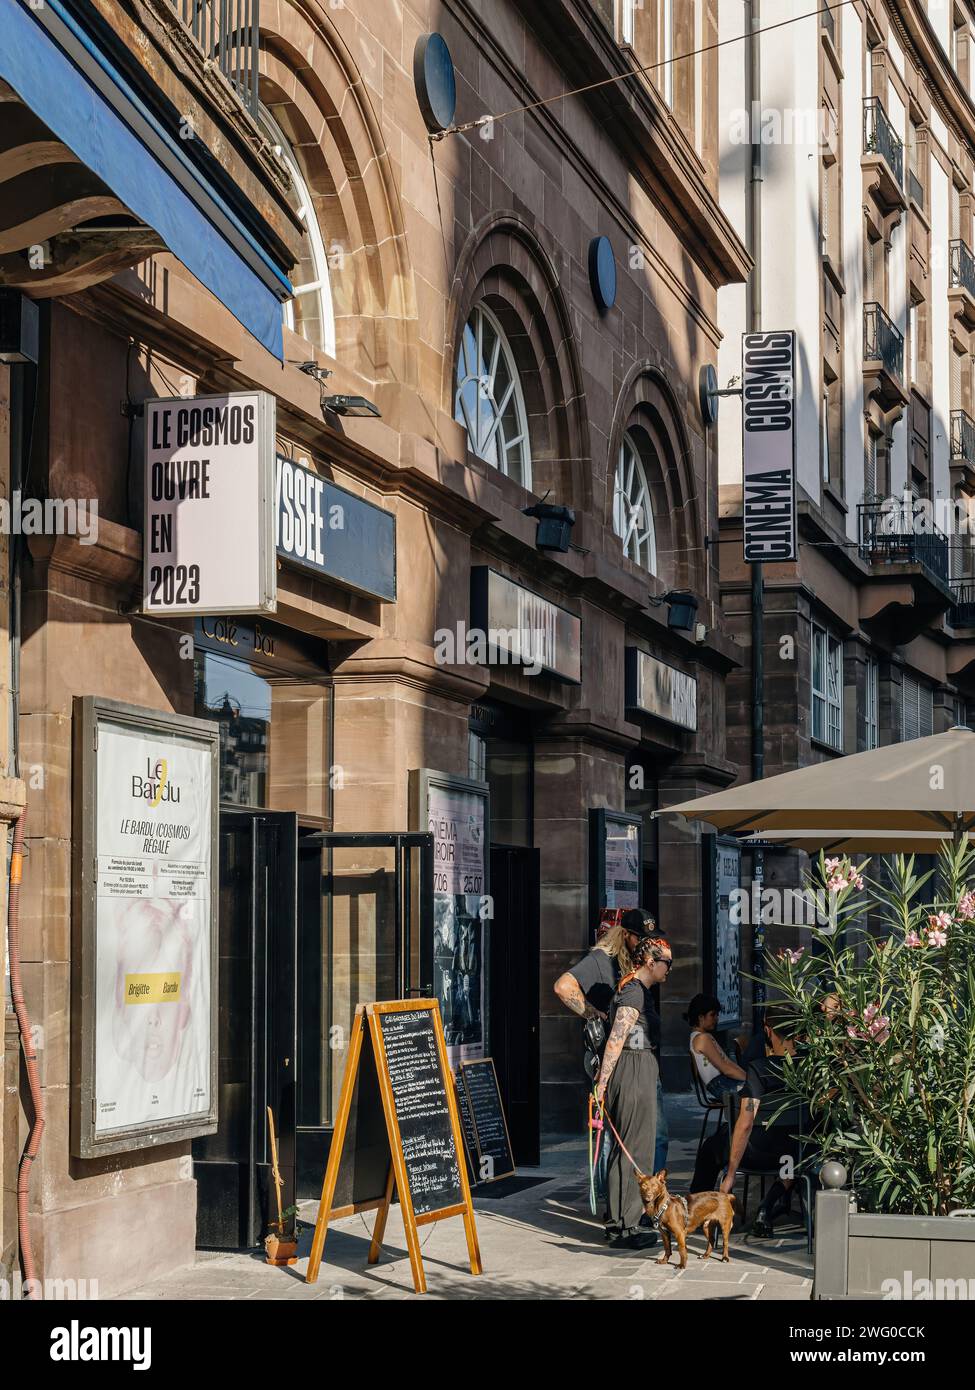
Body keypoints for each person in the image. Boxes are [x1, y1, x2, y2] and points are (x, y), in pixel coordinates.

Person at [691, 1007, 805, 1237]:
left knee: (711, 1147)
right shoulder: (811, 1068)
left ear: (768, 1031)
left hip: (757, 1154)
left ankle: (695, 1211)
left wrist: (731, 1174)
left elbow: (745, 1122)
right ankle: (772, 1203)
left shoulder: (758, 1069)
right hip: (798, 1153)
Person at [595, 933, 673, 1250]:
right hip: (633, 1069)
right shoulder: (634, 992)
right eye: (667, 963)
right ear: (651, 963)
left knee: (623, 1150)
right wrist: (602, 1083)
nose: (670, 968)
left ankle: (617, 1223)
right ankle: (627, 1226)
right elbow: (617, 1036)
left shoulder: (632, 988)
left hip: (634, 1067)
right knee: (636, 1152)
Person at [686, 993, 746, 1100]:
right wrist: (749, 1079)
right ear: (700, 1017)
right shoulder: (702, 1039)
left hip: (722, 1082)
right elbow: (726, 1068)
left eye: (717, 1014)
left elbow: (728, 1062)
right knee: (760, 1091)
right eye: (713, 1015)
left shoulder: (705, 1036)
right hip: (721, 1084)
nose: (716, 1018)